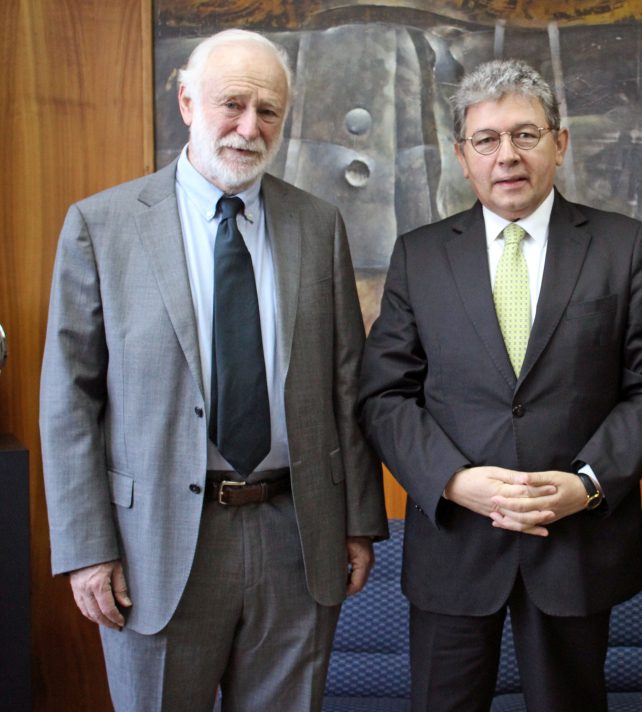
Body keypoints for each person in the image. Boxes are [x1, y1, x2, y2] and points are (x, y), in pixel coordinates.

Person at [39, 29, 387, 711]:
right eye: (232, 104)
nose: (249, 128)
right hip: (156, 548)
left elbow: (349, 383)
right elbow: (68, 401)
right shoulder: (101, 226)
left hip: (297, 535)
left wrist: (358, 522)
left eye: (269, 113)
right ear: (187, 101)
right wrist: (86, 549)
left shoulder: (319, 226)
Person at [357, 58, 642, 711]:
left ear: (559, 144)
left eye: (525, 135)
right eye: (487, 140)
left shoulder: (621, 247)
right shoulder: (419, 256)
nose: (507, 156)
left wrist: (588, 484)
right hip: (454, 544)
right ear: (462, 155)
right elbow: (384, 394)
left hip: (574, 544)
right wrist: (453, 480)